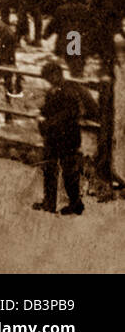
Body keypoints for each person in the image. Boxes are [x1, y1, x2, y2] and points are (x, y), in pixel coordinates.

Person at [33, 61, 96, 216]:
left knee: (69, 172)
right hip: (54, 137)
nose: (48, 81)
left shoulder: (68, 91)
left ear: (56, 74)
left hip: (67, 137)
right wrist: (42, 113)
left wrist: (48, 122)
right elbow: (50, 110)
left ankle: (75, 204)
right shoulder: (54, 90)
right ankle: (50, 202)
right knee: (49, 169)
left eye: (49, 77)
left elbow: (70, 114)